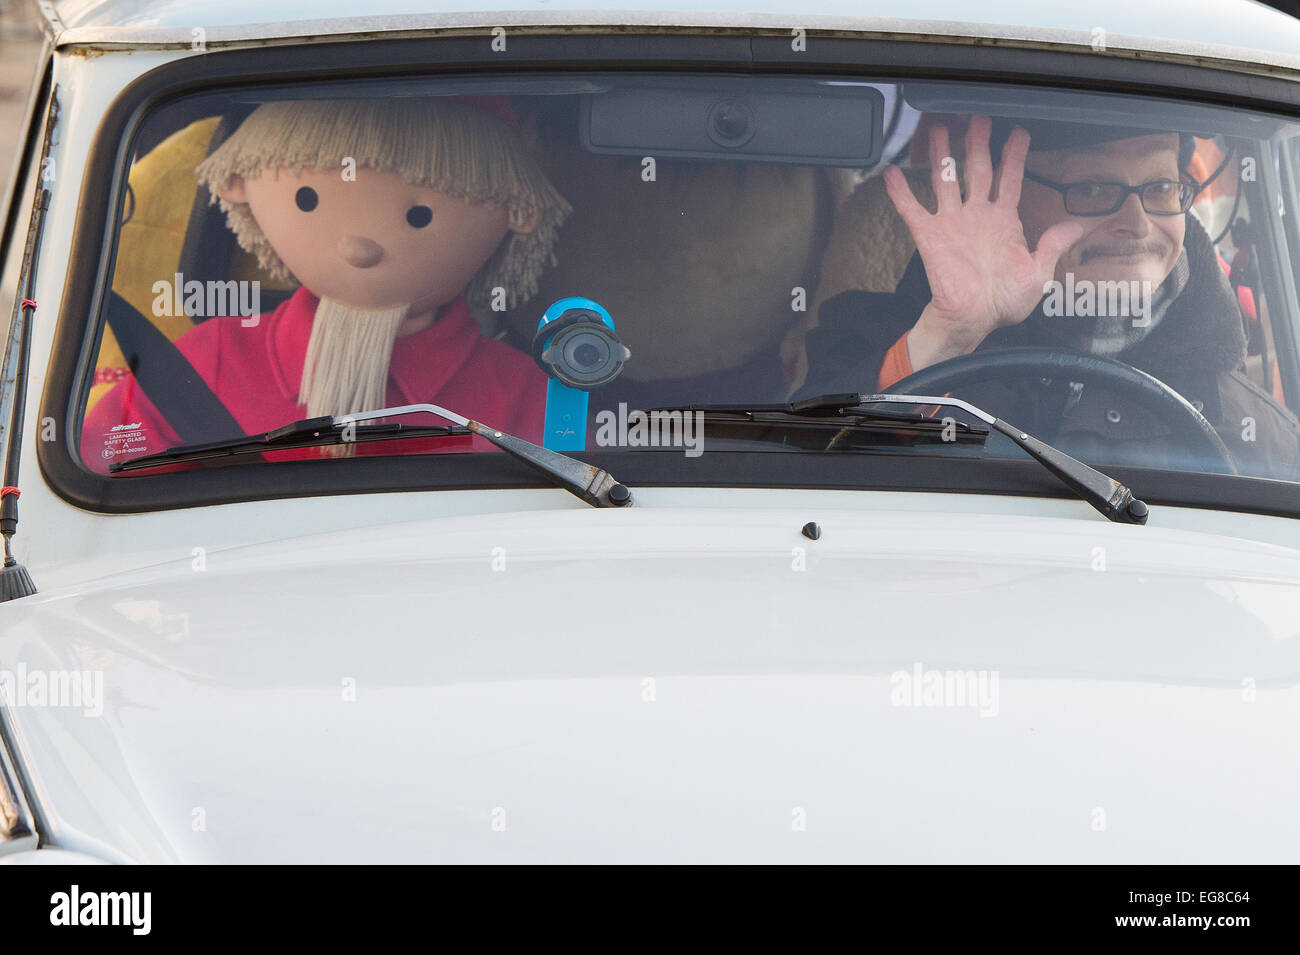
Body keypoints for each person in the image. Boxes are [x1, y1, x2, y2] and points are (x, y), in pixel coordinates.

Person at [81, 97, 571, 472]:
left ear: (517, 214)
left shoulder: (526, 395)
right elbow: (96, 485)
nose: (360, 247)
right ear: (237, 184)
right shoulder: (201, 367)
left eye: (418, 215)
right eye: (308, 198)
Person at [798, 114, 1300, 476]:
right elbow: (797, 484)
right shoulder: (880, 345)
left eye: (1161, 187)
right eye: (1093, 190)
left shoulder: (1252, 428)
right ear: (1003, 198)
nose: (1137, 222)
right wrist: (947, 336)